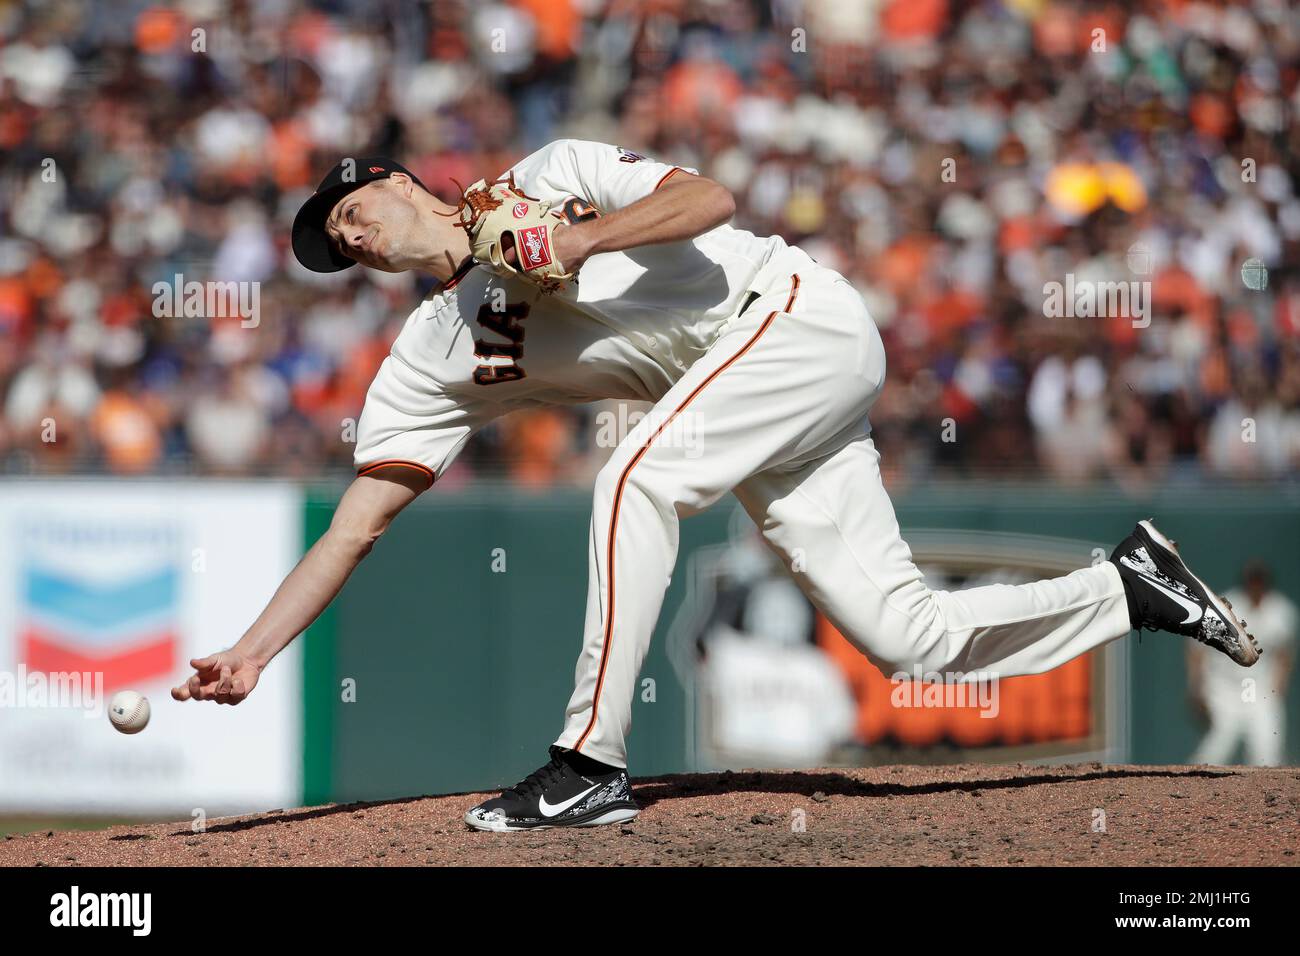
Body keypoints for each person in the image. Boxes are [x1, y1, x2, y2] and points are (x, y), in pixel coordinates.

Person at [171, 141, 1261, 831]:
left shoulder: (548, 174)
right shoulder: (429, 355)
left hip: (791, 315)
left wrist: (579, 234)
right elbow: (356, 523)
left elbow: (711, 195)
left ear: (401, 179)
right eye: (334, 245)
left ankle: (586, 762)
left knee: (631, 481)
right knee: (907, 635)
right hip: (757, 402)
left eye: (350, 213)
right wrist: (254, 651)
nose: (349, 239)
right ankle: (1126, 586)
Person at [1189, 561, 1294, 766]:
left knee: (1267, 752)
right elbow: (1197, 649)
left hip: (1260, 688)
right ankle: (1190, 793)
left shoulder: (1280, 612)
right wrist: (1197, 687)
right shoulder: (1226, 607)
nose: (1255, 585)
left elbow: (1284, 653)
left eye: (1259, 581)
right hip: (1223, 687)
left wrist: (1279, 688)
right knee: (1216, 750)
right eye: (1252, 580)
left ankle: (1266, 796)